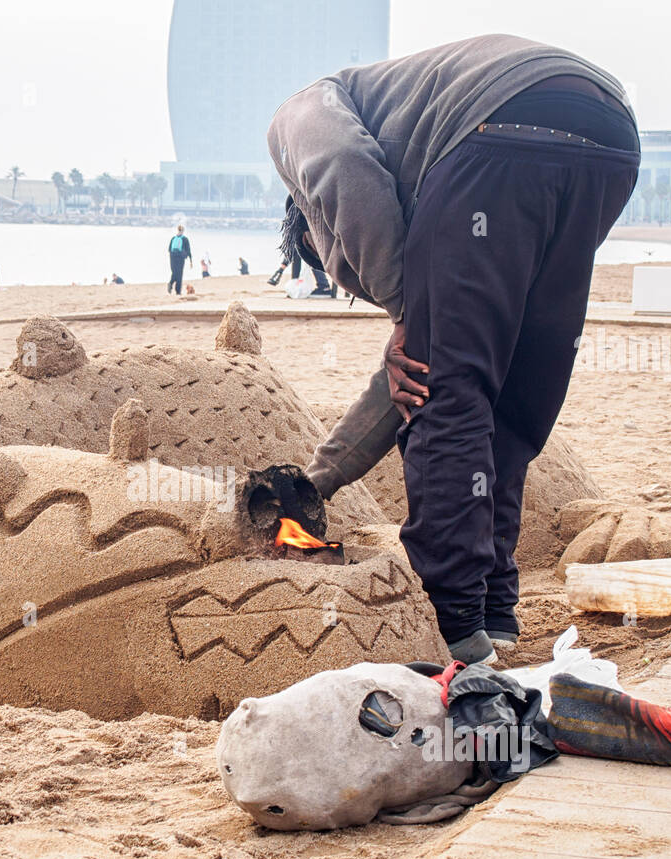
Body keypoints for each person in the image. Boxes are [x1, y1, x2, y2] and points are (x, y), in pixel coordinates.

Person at [269, 34, 639, 665]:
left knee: (447, 404)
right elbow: (406, 376)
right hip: (610, 143)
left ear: (311, 220)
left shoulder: (298, 117)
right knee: (514, 401)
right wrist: (317, 484)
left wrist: (401, 305)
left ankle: (454, 624)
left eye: (333, 263)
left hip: (501, 131)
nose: (345, 273)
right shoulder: (406, 138)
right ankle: (493, 612)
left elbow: (344, 169)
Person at [167, 225, 192, 294]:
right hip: (180, 258)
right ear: (183, 231)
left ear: (177, 230)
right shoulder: (185, 239)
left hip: (172, 257)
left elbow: (169, 249)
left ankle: (170, 283)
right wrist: (190, 259)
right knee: (179, 274)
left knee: (174, 272)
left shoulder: (173, 238)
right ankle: (177, 291)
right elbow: (188, 249)